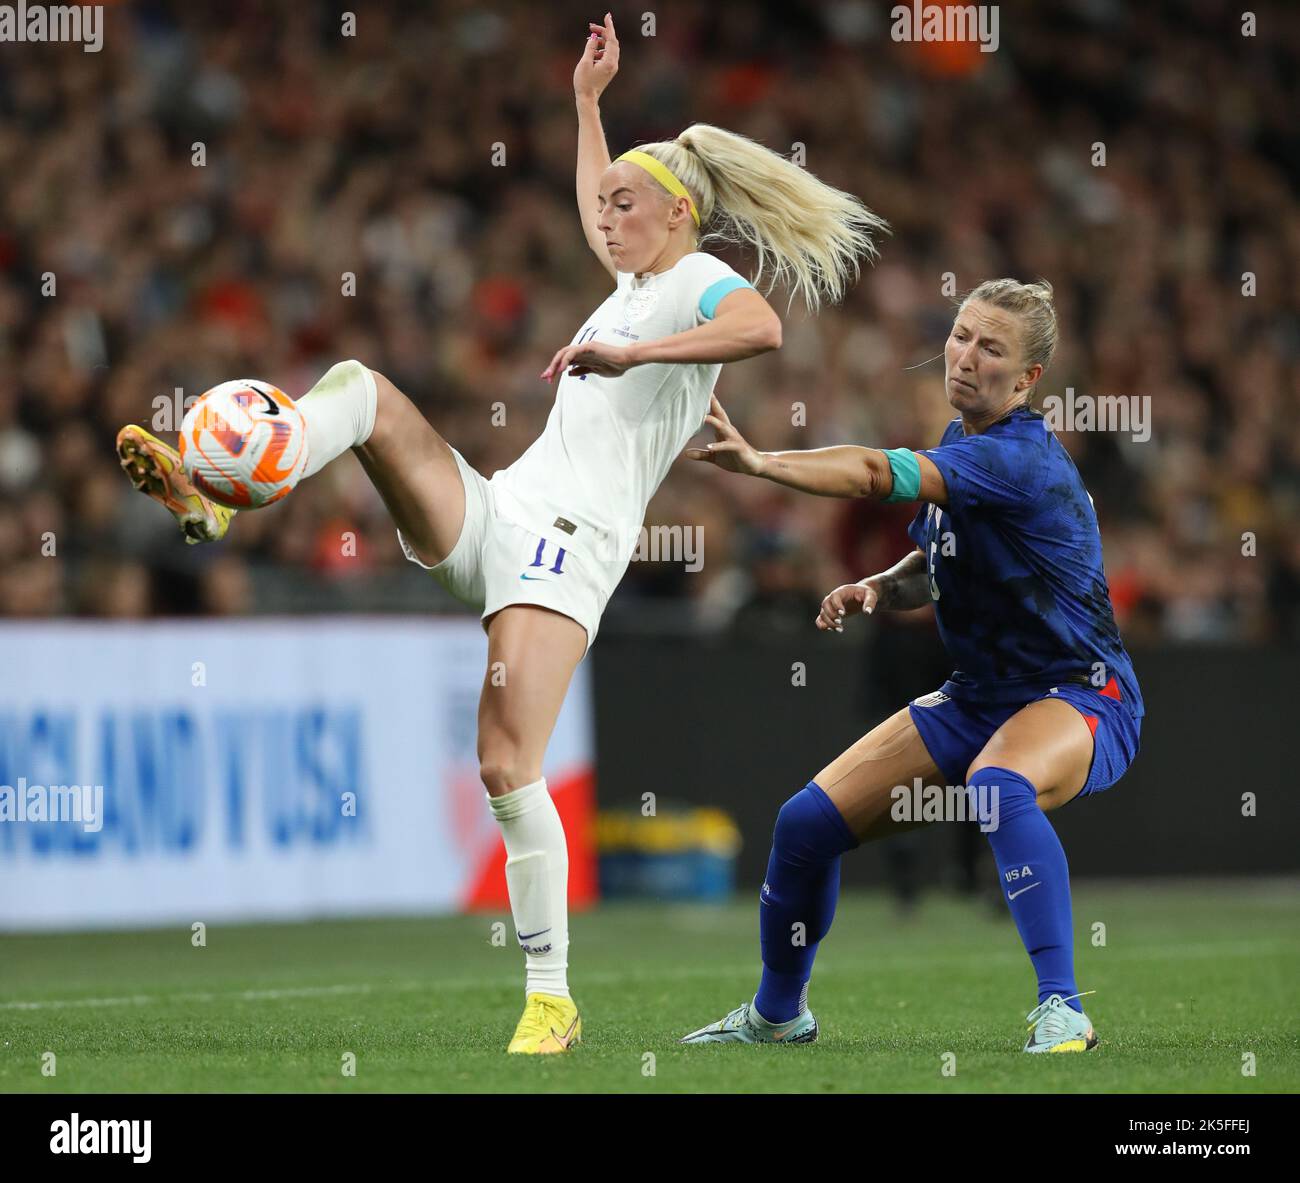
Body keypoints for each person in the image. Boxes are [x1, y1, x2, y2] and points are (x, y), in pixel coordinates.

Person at [113, 13, 887, 1054]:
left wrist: (635, 362)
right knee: (364, 390)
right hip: (502, 511)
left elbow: (762, 328)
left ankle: (551, 997)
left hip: (570, 545)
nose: (603, 215)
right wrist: (584, 105)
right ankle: (228, 495)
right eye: (603, 200)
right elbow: (599, 201)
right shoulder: (636, 279)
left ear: (676, 212)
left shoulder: (692, 282)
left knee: (502, 760)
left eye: (624, 204)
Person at [680, 279, 1143, 1053]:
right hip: (979, 696)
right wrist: (877, 587)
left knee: (998, 784)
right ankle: (777, 1014)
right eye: (961, 334)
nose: (964, 355)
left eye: (990, 347)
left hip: (1080, 694)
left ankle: (1064, 1009)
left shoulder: (1018, 457)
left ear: (1028, 379)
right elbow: (934, 564)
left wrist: (762, 462)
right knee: (803, 826)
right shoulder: (964, 448)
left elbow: (869, 472)